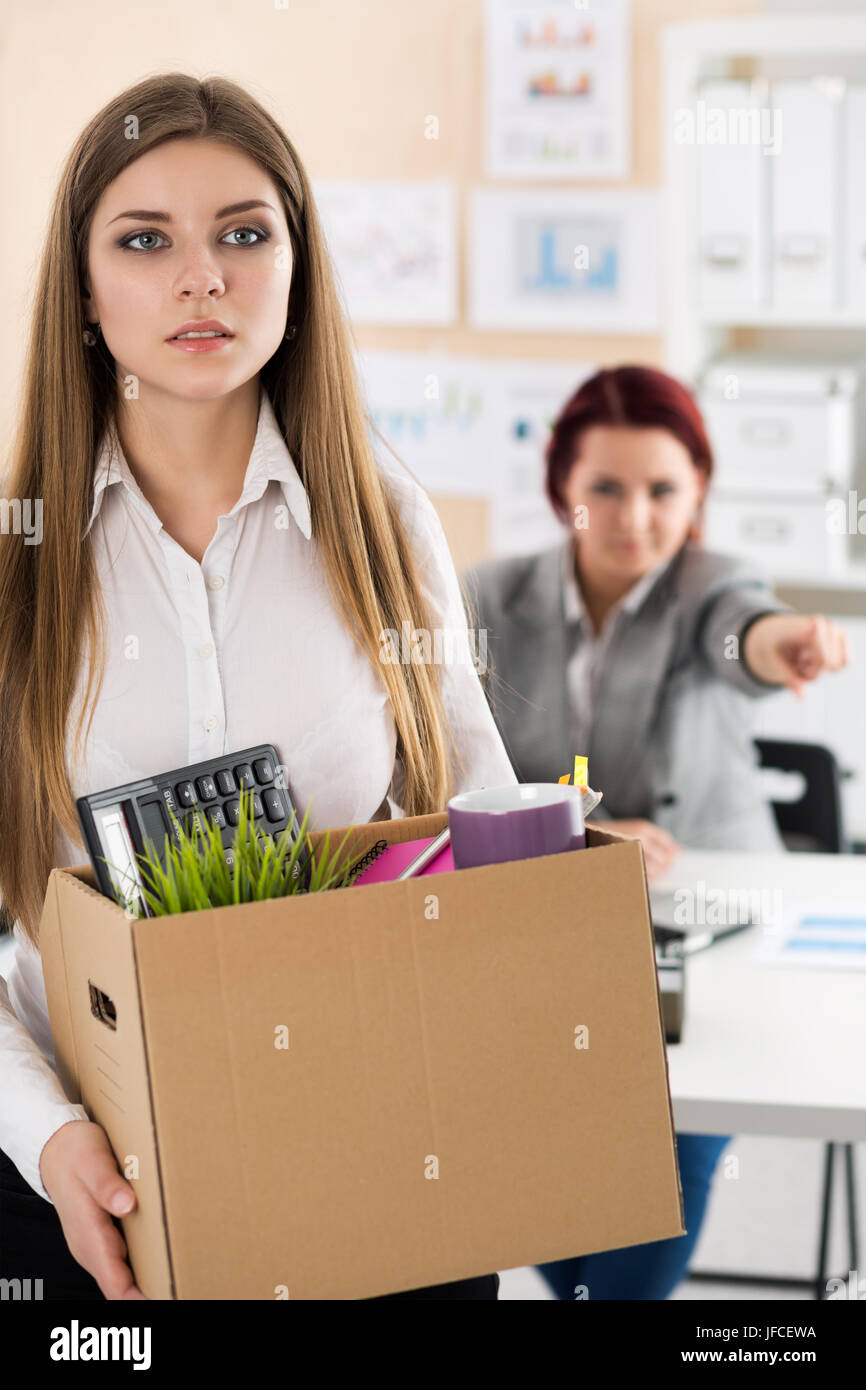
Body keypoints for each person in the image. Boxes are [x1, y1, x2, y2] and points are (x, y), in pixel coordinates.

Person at [0, 73, 518, 1302]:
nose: (203, 278)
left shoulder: (384, 523)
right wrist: (48, 1135)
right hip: (85, 1188)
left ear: (297, 263)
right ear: (82, 290)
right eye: (144, 241)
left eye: (244, 233)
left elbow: (474, 817)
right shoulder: (16, 563)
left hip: (375, 1158)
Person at [461, 364, 851, 1299]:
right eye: (607, 487)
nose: (636, 516)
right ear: (562, 489)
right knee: (526, 1151)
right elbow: (452, 764)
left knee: (659, 1151)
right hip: (544, 931)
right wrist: (578, 823)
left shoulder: (711, 588)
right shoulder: (487, 597)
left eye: (664, 490)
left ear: (700, 494)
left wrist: (783, 643)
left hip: (707, 934)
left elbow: (743, 635)